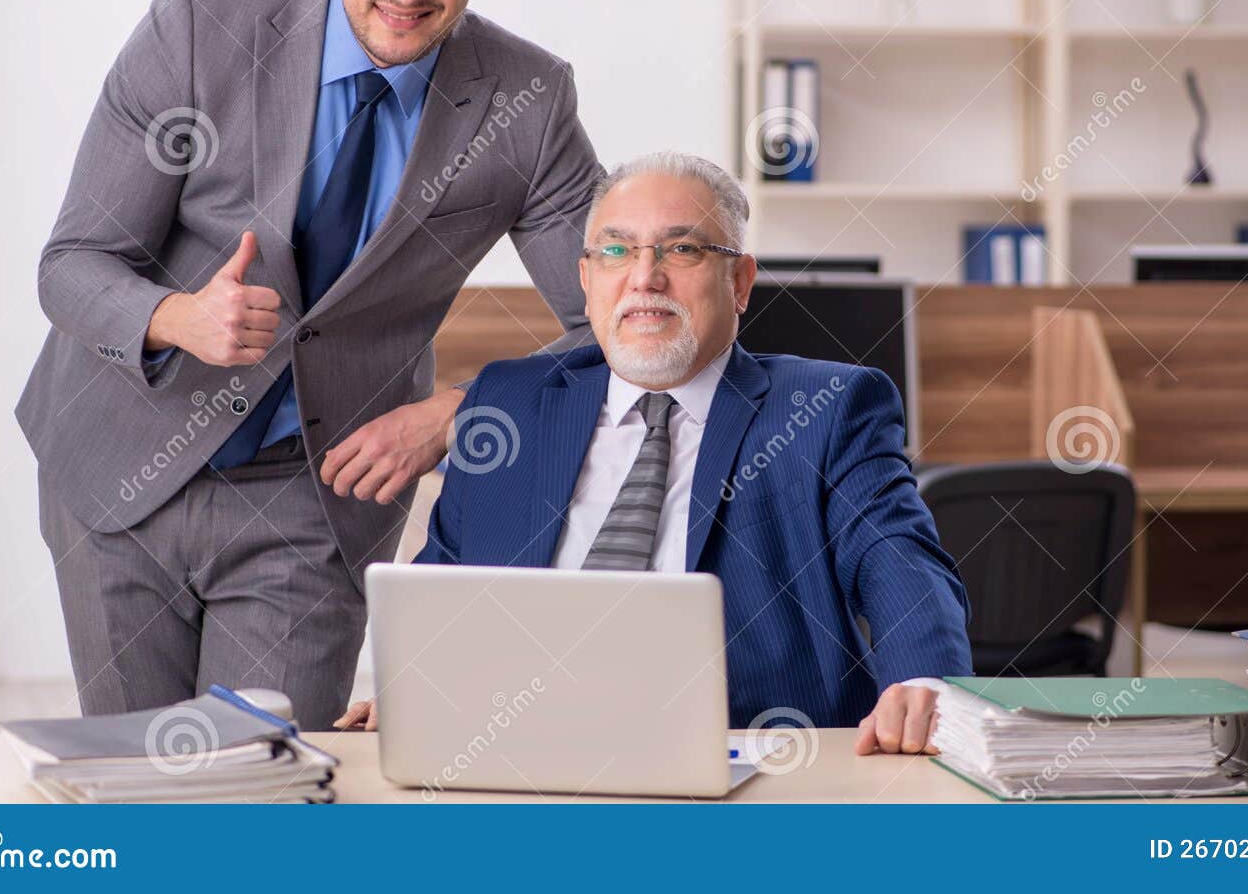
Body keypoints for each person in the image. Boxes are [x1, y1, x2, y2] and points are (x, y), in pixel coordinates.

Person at [18, 0, 601, 730]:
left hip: (313, 498)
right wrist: (179, 317)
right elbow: (74, 265)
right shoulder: (198, 29)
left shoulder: (527, 101)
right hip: (123, 468)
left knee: (267, 794)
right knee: (140, 790)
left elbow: (615, 319)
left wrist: (458, 414)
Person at [338, 152, 971, 753]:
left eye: (682, 248)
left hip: (750, 763)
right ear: (587, 282)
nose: (645, 277)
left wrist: (922, 681)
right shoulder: (508, 402)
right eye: (616, 250)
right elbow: (443, 588)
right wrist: (413, 689)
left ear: (741, 280)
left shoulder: (828, 407)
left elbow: (901, 563)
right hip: (517, 754)